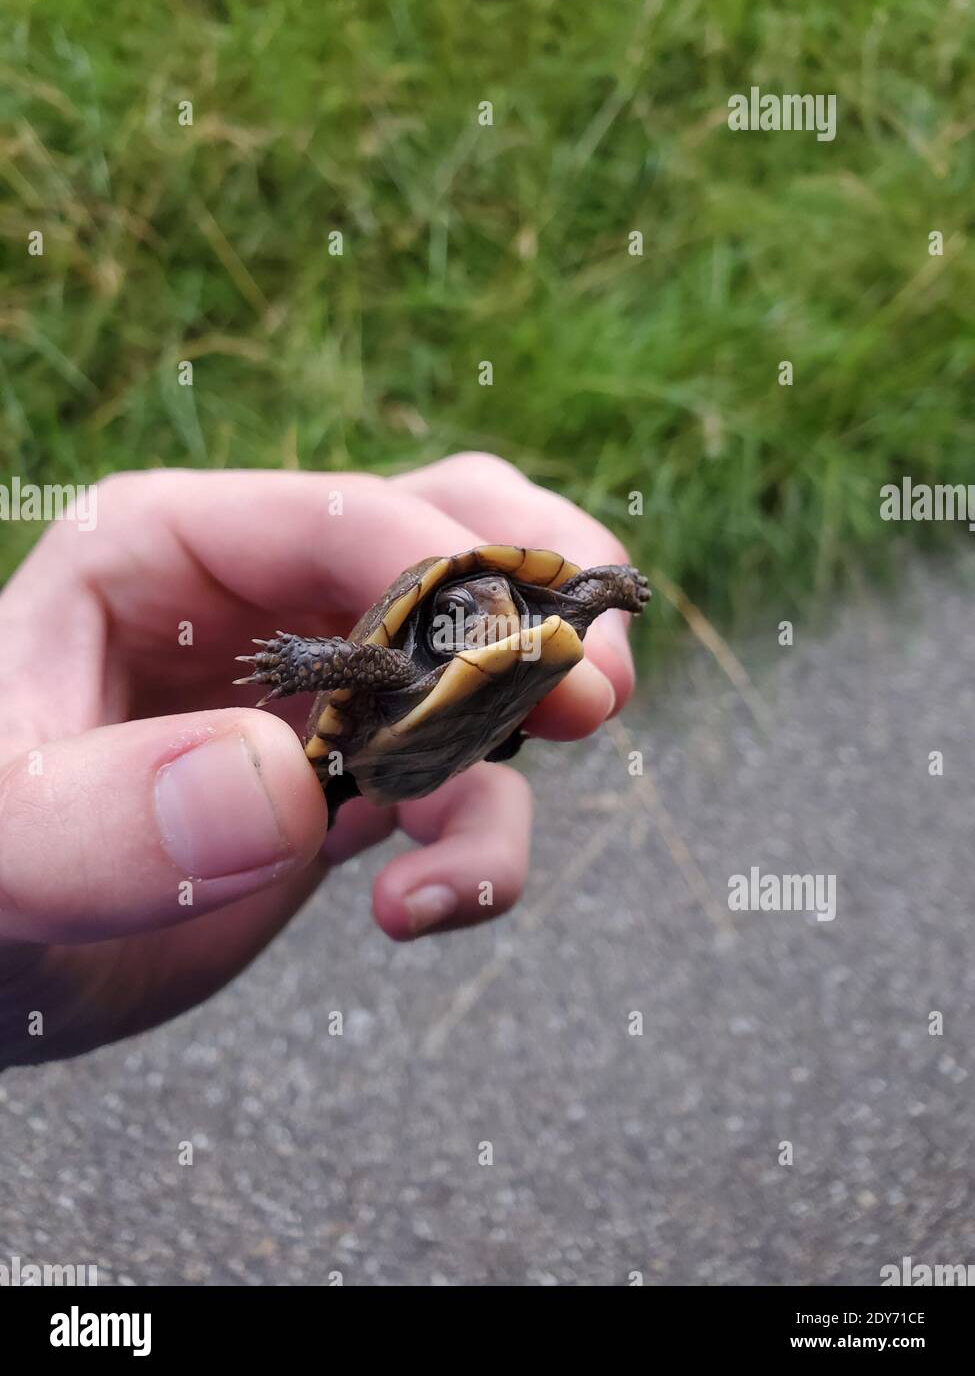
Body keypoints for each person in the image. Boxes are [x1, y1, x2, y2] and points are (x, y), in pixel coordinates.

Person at [0, 454, 639, 1066]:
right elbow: (368, 662)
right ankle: (316, 808)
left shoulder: (540, 620)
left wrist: (614, 585)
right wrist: (305, 661)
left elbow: (585, 589)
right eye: (462, 611)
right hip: (376, 737)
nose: (494, 612)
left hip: (482, 734)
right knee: (314, 788)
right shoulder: (398, 664)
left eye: (504, 601)